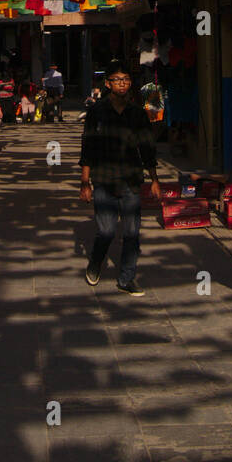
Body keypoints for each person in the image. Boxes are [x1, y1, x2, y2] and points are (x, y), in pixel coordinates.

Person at [79, 61, 161, 296]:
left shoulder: (137, 113)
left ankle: (127, 278)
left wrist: (154, 179)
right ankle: (95, 263)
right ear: (108, 84)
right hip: (104, 179)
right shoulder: (97, 111)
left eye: (125, 79)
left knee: (132, 233)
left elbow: (147, 147)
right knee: (106, 231)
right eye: (117, 79)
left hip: (131, 180)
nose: (122, 83)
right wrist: (85, 183)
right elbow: (88, 147)